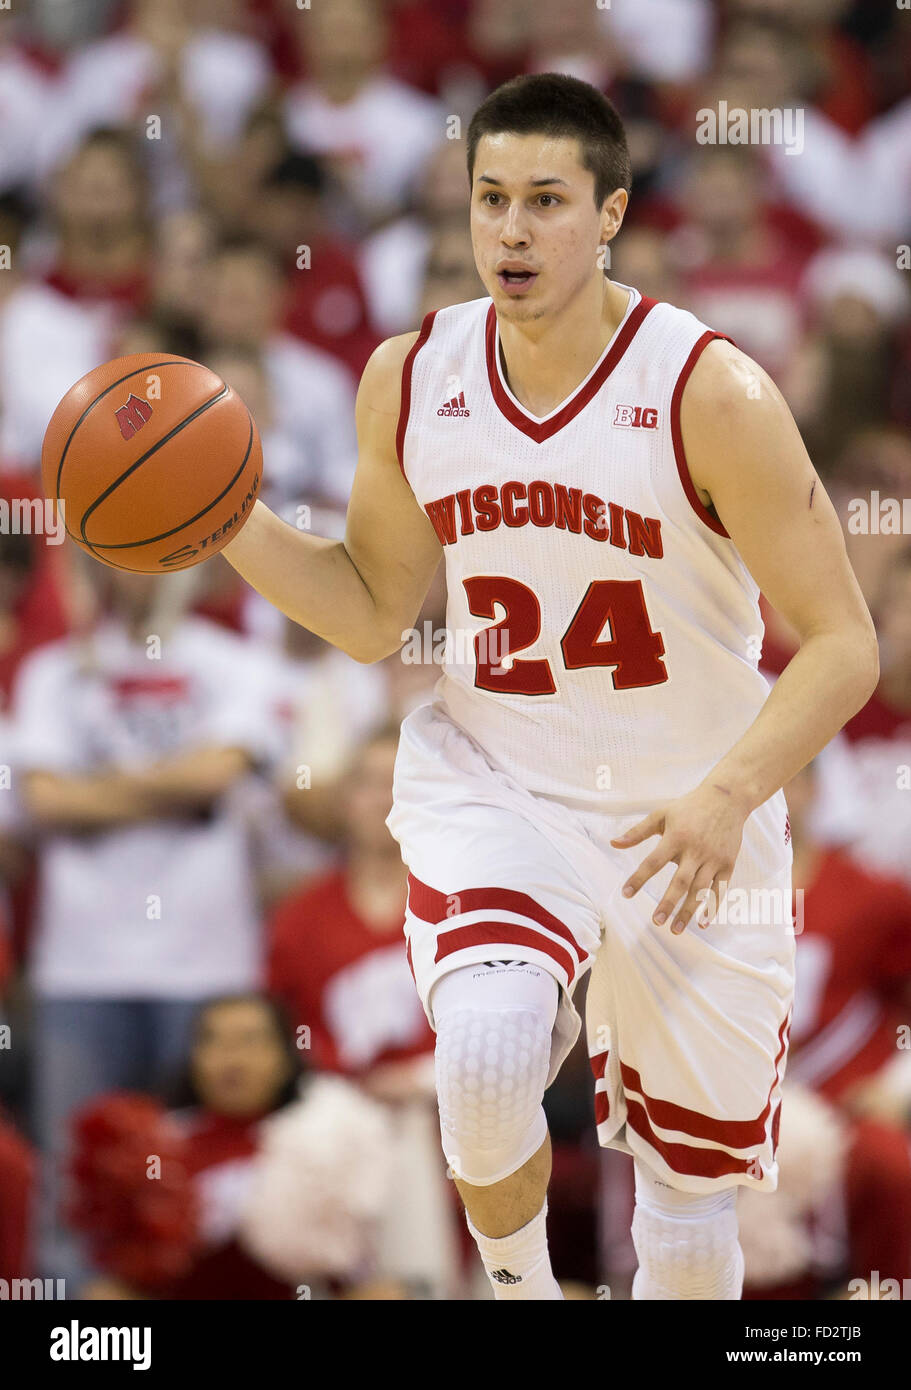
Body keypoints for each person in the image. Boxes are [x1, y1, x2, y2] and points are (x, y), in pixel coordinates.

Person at [221, 73, 878, 1301]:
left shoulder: (707, 389)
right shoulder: (410, 379)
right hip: (503, 783)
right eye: (487, 200)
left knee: (687, 1217)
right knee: (480, 1064)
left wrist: (730, 792)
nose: (510, 231)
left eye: (544, 201)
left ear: (612, 211)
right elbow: (370, 609)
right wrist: (230, 522)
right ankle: (522, 1293)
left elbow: (844, 644)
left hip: (693, 811)